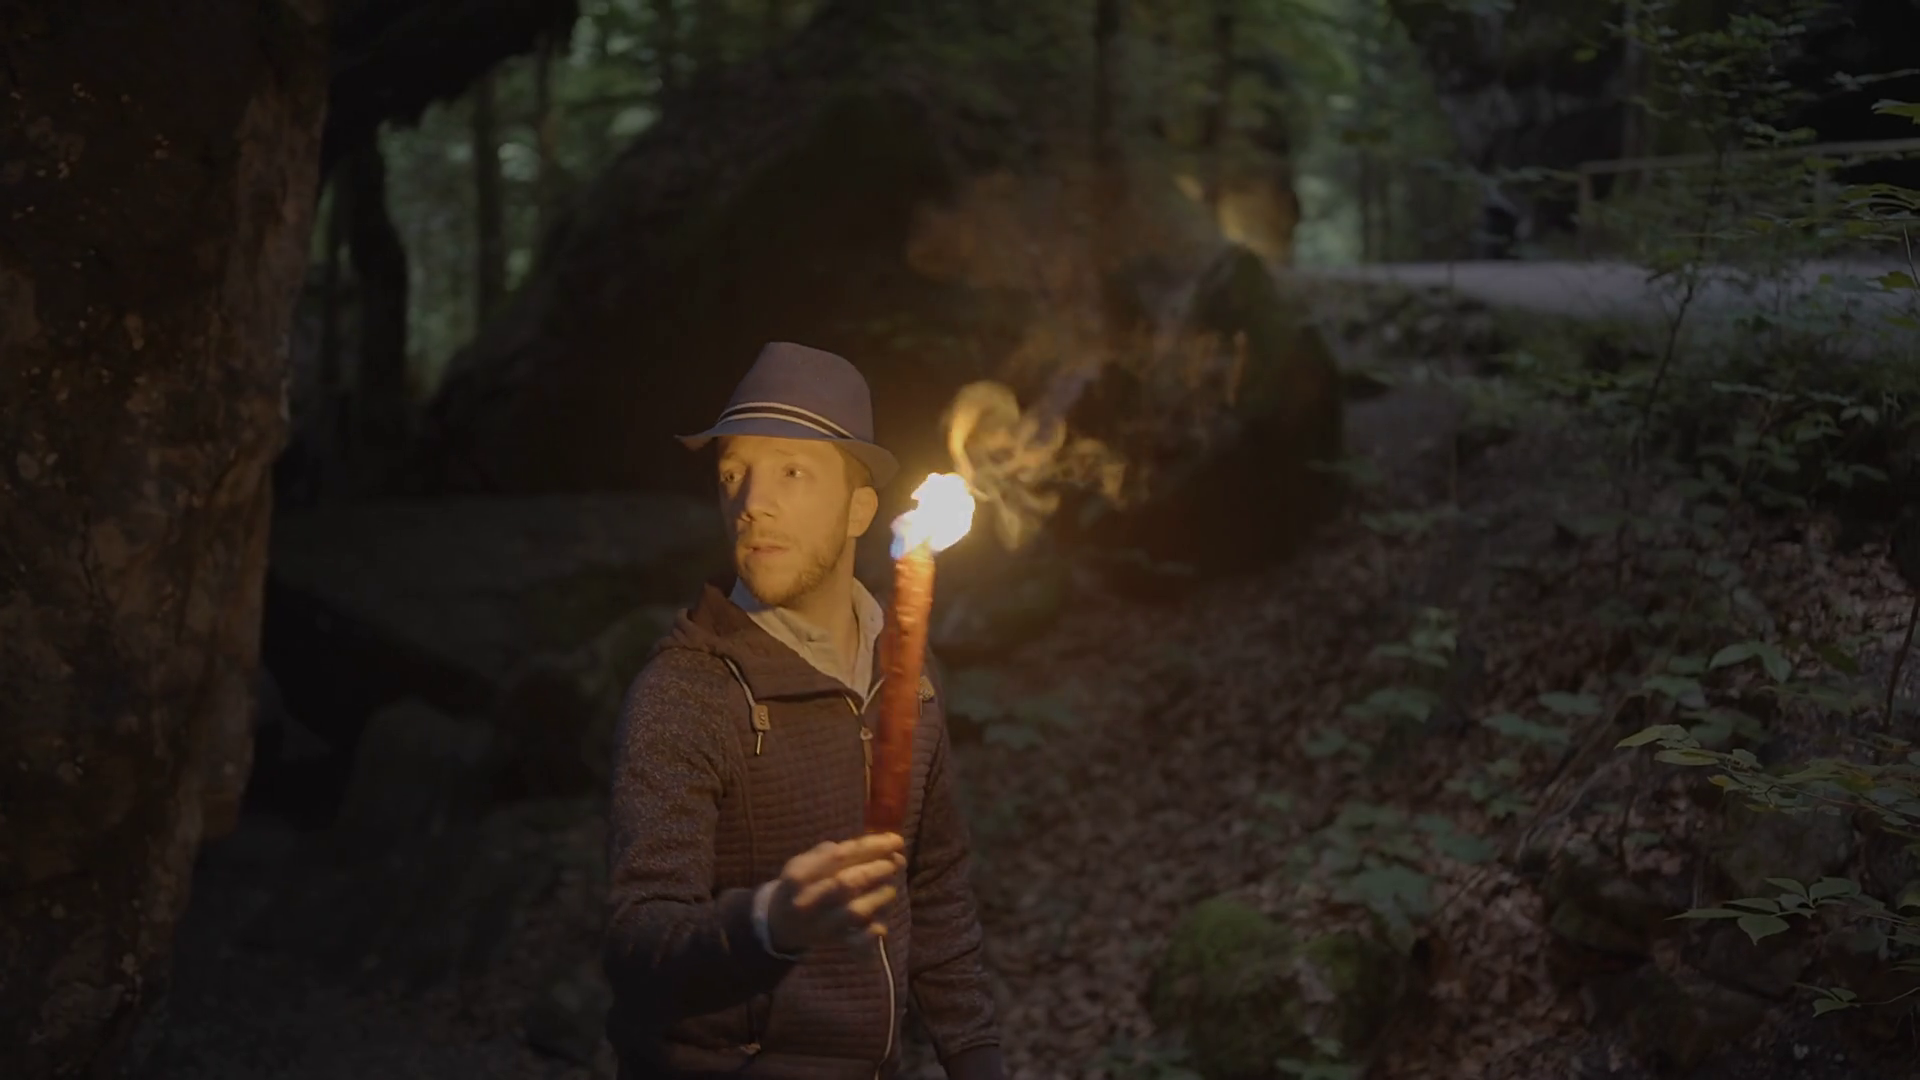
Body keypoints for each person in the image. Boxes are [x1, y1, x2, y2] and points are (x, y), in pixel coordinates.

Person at [603, 342, 1006, 1080]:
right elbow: (638, 941)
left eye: (792, 471)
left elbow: (937, 890)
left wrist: (977, 1060)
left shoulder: (910, 679)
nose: (752, 501)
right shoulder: (688, 691)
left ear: (860, 509)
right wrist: (767, 924)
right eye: (734, 474)